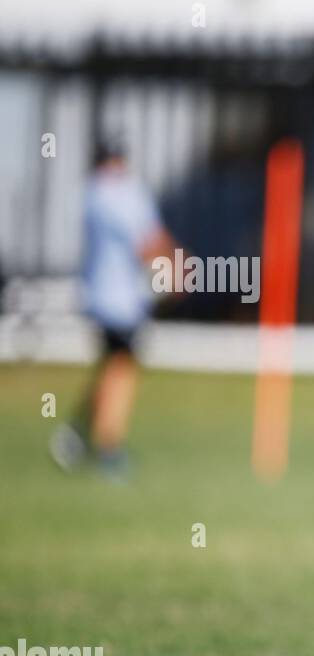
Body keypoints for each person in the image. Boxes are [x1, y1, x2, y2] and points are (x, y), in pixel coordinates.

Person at [50, 140, 175, 479]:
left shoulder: (91, 193)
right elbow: (147, 242)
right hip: (123, 300)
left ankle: (75, 435)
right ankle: (109, 447)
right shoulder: (123, 193)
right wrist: (178, 267)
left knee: (110, 366)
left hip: (98, 296)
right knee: (122, 370)